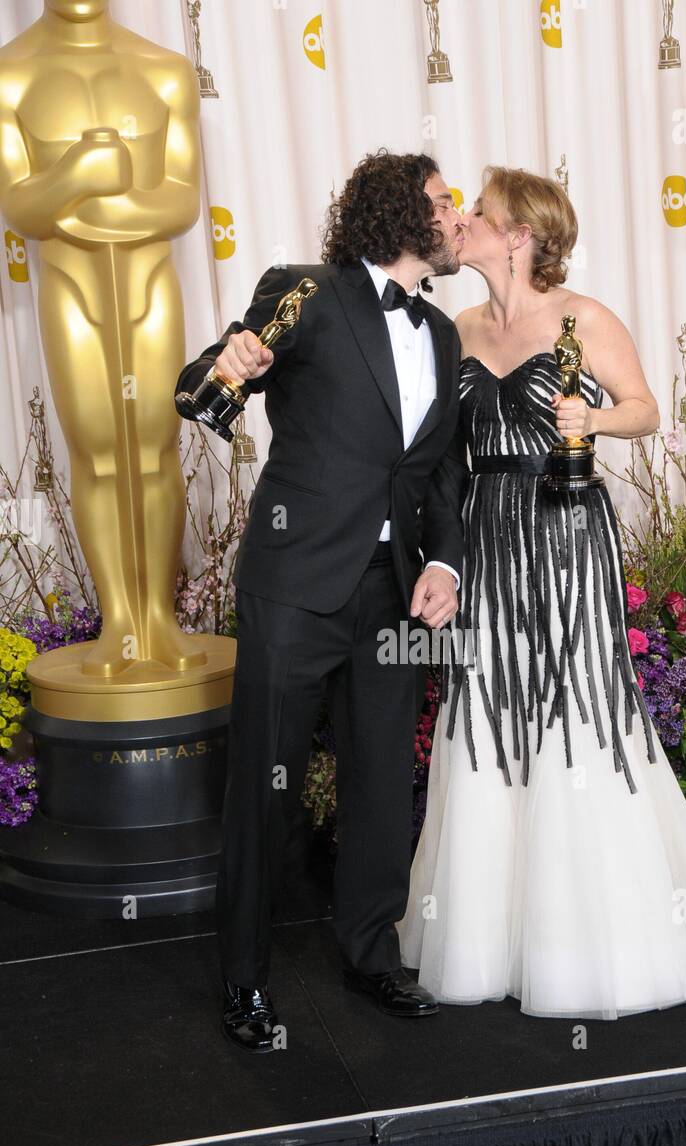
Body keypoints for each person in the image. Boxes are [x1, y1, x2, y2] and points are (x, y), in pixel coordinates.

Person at [396, 166, 686, 1018]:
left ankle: (589, 944)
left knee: (571, 705)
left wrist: (592, 420)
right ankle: (486, 937)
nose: (466, 226)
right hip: (481, 534)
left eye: (479, 216)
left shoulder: (583, 317)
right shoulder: (457, 326)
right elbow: (445, 453)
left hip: (563, 528)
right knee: (487, 707)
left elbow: (645, 408)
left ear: (518, 233)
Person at [176, 152, 469, 1049]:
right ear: (398, 216)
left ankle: (370, 953)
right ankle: (245, 980)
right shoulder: (303, 290)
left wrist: (446, 565)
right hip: (297, 584)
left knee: (382, 781)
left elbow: (444, 476)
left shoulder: (444, 334)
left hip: (393, 596)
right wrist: (225, 364)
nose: (456, 214)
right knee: (267, 784)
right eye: (442, 201)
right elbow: (207, 388)